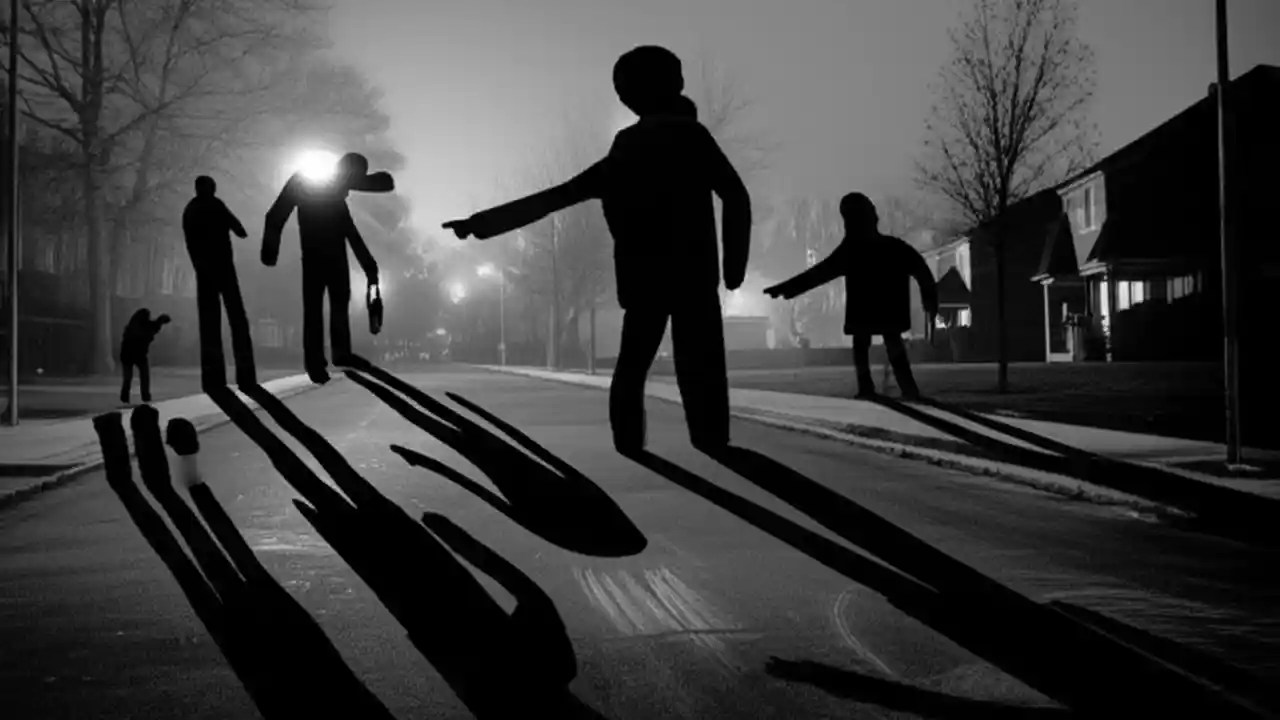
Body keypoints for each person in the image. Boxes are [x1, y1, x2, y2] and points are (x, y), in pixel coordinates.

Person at [443, 45, 751, 453]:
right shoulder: (692, 138)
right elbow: (736, 197)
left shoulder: (628, 147)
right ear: (674, 84)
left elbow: (558, 195)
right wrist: (733, 267)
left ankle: (628, 440)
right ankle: (710, 435)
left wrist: (481, 224)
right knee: (701, 363)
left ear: (630, 95)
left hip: (643, 277)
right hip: (693, 274)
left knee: (633, 363)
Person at [765, 192, 938, 400]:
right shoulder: (892, 247)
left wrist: (786, 289)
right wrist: (930, 299)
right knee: (889, 343)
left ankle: (872, 387)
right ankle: (905, 388)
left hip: (865, 310)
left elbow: (820, 273)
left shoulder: (854, 250)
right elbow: (921, 271)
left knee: (866, 345)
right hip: (886, 310)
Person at [261, 152, 390, 384]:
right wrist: (270, 251)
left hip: (325, 258)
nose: (349, 191)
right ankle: (318, 361)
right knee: (318, 309)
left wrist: (370, 267)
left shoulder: (328, 192)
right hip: (318, 258)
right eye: (350, 184)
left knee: (329, 306)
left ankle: (336, 354)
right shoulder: (308, 184)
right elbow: (275, 215)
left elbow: (351, 232)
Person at [182, 175, 256, 390]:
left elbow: (189, 241)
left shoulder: (191, 209)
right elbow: (238, 228)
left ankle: (213, 376)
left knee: (209, 324)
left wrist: (198, 263)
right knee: (237, 318)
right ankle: (245, 372)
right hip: (224, 267)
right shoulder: (216, 205)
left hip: (203, 271)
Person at [119, 309, 171, 404]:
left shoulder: (132, 327)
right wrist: (160, 321)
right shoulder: (143, 327)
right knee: (143, 376)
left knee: (128, 377)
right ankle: (145, 396)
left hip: (128, 354)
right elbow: (153, 328)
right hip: (138, 354)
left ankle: (125, 397)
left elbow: (152, 327)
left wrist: (159, 321)